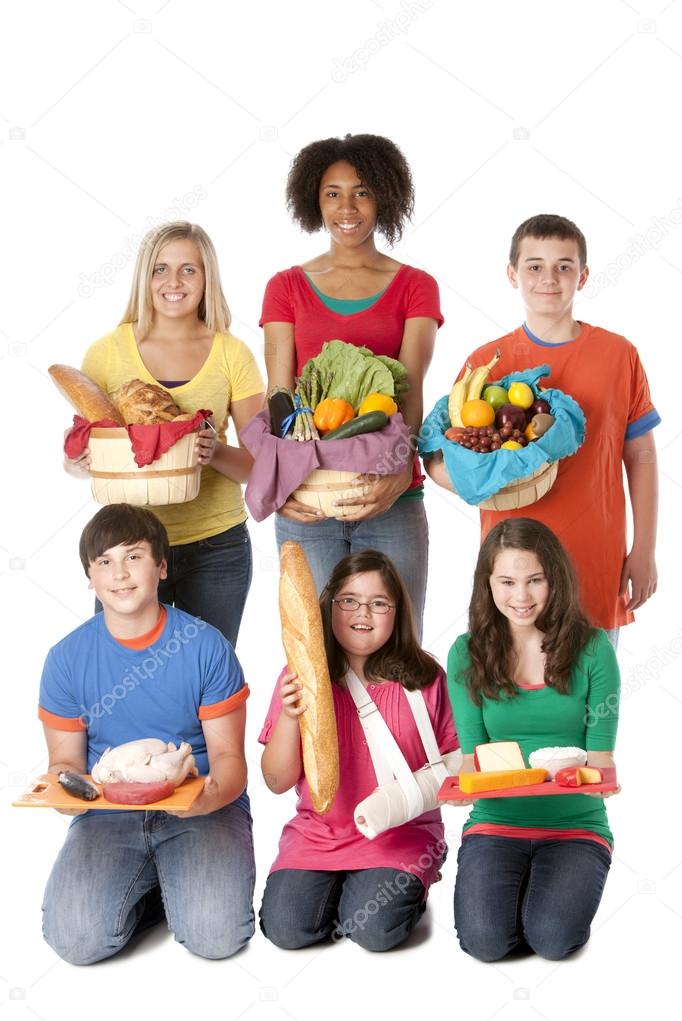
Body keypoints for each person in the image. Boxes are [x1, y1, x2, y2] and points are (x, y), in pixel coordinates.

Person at [425, 213, 659, 644]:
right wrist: (478, 482)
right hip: (510, 574)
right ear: (512, 274)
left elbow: (641, 456)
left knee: (590, 703)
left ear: (583, 276)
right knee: (506, 704)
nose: (548, 278)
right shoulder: (486, 361)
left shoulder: (619, 354)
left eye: (563, 266)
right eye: (534, 266)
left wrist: (643, 549)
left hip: (594, 559)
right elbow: (440, 457)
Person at [39, 504, 255, 964]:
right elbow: (64, 765)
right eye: (104, 562)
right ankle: (156, 886)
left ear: (161, 565)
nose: (119, 574)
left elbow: (231, 763)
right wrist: (61, 791)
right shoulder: (65, 658)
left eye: (133, 556)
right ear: (89, 576)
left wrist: (209, 798)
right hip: (107, 813)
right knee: (76, 943)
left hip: (200, 806)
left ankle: (176, 883)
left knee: (217, 939)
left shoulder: (206, 647)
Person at [261, 133, 444, 636]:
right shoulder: (285, 287)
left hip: (391, 500)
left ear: (384, 195)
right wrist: (283, 487)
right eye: (332, 193)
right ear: (314, 201)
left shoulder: (415, 285)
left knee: (397, 653)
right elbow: (280, 395)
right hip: (308, 502)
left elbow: (411, 391)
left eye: (361, 192)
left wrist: (396, 475)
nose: (347, 207)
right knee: (317, 659)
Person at [65, 221, 265, 646]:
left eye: (188, 270)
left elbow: (262, 465)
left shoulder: (233, 354)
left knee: (207, 682)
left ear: (207, 277)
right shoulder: (105, 353)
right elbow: (87, 451)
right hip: (126, 550)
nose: (173, 282)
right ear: (144, 277)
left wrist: (215, 453)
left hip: (216, 548)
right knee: (125, 680)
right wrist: (76, 461)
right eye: (160, 269)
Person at [258, 550, 458, 952]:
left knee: (374, 930)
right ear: (329, 605)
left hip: (399, 834)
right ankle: (342, 893)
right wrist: (290, 717)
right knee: (286, 929)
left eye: (378, 603)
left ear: (397, 612)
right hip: (319, 835)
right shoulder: (297, 677)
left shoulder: (426, 678)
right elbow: (277, 782)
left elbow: (457, 765)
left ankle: (380, 894)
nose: (361, 612)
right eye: (348, 600)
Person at [447, 518, 620, 962]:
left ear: (553, 579)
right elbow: (474, 759)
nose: (520, 597)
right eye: (506, 582)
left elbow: (599, 758)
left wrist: (603, 779)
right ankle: (522, 888)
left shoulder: (594, 649)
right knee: (484, 944)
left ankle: (546, 895)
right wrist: (460, 787)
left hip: (575, 826)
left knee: (553, 941)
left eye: (534, 581)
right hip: (496, 824)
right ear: (488, 584)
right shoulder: (466, 654)